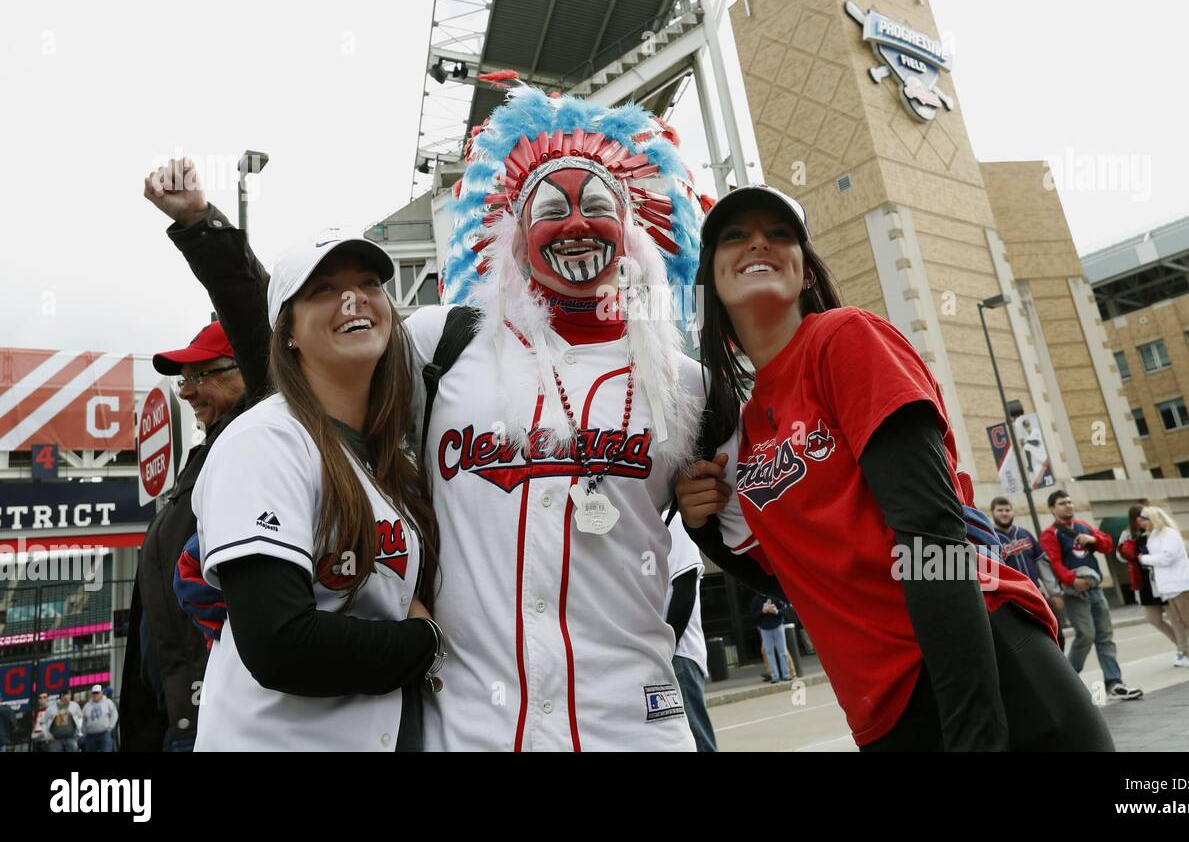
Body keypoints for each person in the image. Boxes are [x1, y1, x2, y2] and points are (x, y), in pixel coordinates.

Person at [155, 84, 721, 751]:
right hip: (474, 731)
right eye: (550, 209)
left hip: (631, 731)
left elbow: (765, 528)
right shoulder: (442, 343)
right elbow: (308, 355)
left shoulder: (688, 384)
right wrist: (206, 233)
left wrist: (708, 518)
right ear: (511, 231)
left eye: (598, 207)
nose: (575, 226)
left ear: (633, 229)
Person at [674, 184, 1114, 751]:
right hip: (883, 713)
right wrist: (701, 522)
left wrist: (974, 731)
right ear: (711, 278)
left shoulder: (844, 339)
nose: (758, 242)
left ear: (806, 271)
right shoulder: (744, 432)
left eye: (779, 234)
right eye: (735, 236)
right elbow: (793, 580)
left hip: (982, 669)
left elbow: (931, 535)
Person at [191, 235, 443, 751]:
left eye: (368, 283)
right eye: (324, 288)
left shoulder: (394, 455)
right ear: (288, 334)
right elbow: (280, 645)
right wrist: (424, 642)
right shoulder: (265, 441)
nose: (354, 299)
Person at [125, 159, 273, 752]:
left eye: (202, 375)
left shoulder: (272, 430)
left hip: (227, 722)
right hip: (175, 728)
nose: (187, 391)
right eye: (182, 380)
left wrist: (198, 224)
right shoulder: (197, 466)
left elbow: (254, 313)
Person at [1039, 490, 1143, 700]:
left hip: (1095, 589)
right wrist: (1072, 580)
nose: (1068, 505)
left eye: (1069, 501)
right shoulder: (1051, 534)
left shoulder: (1084, 527)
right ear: (1052, 509)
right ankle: (1066, 683)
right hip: (1074, 592)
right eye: (1062, 503)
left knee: (1105, 635)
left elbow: (1106, 546)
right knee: (1086, 635)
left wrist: (1093, 538)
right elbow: (1054, 562)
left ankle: (1114, 683)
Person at [663, 515, 718, 752]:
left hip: (678, 654)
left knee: (697, 740)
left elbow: (685, 589)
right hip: (659, 653)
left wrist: (665, 647)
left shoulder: (673, 520)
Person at [1135, 506, 1189, 666]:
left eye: (1145, 519)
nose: (1142, 523)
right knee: (1182, 621)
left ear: (1153, 519)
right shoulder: (1154, 536)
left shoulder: (1169, 534)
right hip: (1168, 586)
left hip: (1180, 583)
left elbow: (1167, 558)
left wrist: (1145, 559)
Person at [1118, 503, 1189, 666]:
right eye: (1140, 517)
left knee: (1175, 617)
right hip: (1143, 580)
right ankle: (1182, 644)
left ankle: (1184, 650)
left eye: (1145, 517)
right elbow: (1120, 555)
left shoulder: (1157, 531)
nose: (1143, 520)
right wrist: (1129, 552)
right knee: (1153, 618)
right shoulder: (1127, 534)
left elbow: (1166, 553)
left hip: (1161, 577)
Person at [989, 496, 1065, 646]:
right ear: (993, 513)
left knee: (1056, 637)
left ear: (1013, 512)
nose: (1004, 513)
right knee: (1028, 644)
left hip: (1036, 594)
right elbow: (990, 575)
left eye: (1007, 510)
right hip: (1012, 601)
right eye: (1000, 510)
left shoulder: (1025, 534)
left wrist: (1055, 593)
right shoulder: (990, 538)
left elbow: (1042, 564)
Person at [751, 592, 792, 684]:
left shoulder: (775, 597)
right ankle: (775, 676)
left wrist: (776, 611)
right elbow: (753, 616)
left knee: (783, 652)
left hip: (778, 627)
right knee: (770, 653)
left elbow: (784, 609)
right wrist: (762, 611)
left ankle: (786, 674)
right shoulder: (756, 600)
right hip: (765, 629)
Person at [80, 685, 119, 752]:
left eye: (97, 692)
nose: (95, 694)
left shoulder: (108, 702)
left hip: (104, 733)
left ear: (101, 692)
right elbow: (84, 719)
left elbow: (114, 715)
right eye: (94, 693)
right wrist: (84, 731)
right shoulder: (87, 705)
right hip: (90, 735)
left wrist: (110, 727)